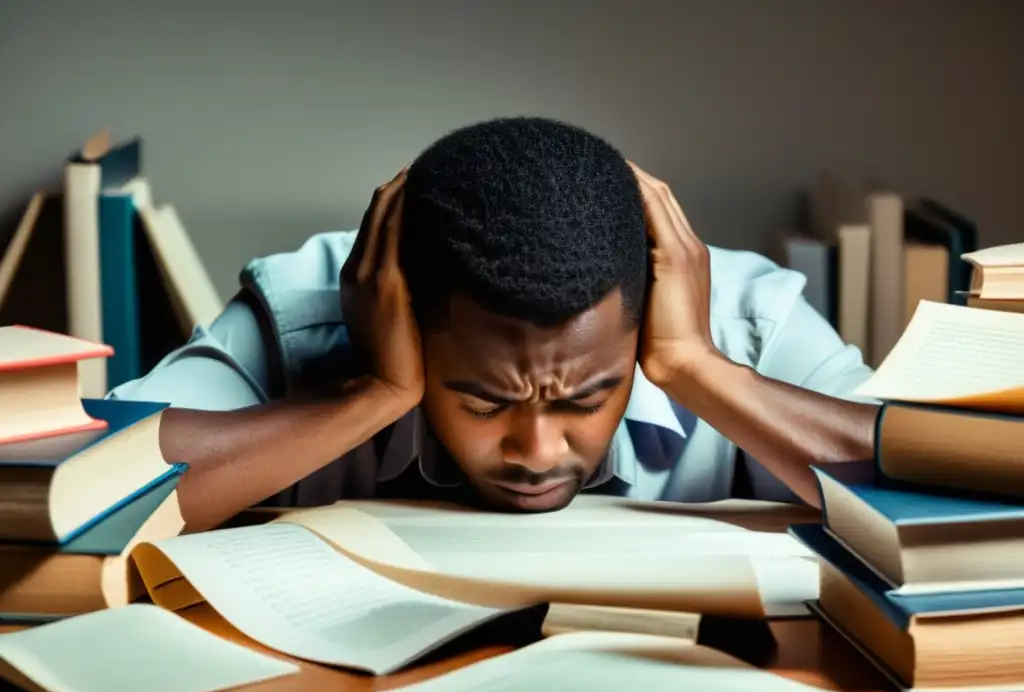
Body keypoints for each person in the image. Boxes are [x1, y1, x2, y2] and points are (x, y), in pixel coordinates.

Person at [109, 117, 879, 531]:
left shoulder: (745, 320)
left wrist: (696, 368)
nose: (538, 452)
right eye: (483, 402)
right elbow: (79, 486)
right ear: (400, 316)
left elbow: (951, 493)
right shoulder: (311, 309)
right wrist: (371, 394)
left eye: (585, 398)